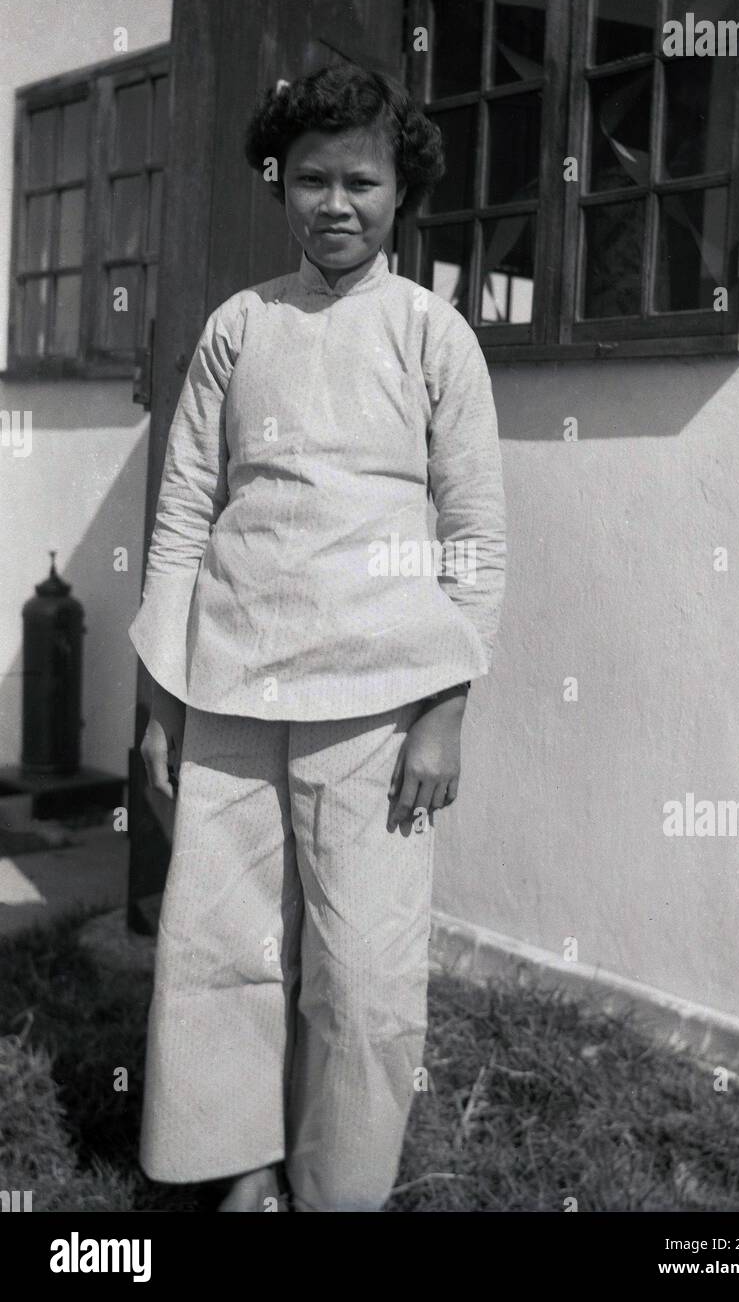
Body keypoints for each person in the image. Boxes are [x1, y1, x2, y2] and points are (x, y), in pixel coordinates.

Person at [130, 64, 506, 1212]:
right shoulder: (241, 327)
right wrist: (164, 698)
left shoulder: (432, 336)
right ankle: (236, 1165)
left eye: (361, 181)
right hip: (233, 693)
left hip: (381, 709)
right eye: (309, 181)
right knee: (219, 947)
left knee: (363, 971)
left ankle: (337, 1184)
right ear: (278, 184)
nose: (333, 204)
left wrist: (444, 708)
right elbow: (185, 510)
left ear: (403, 191)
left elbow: (474, 533)